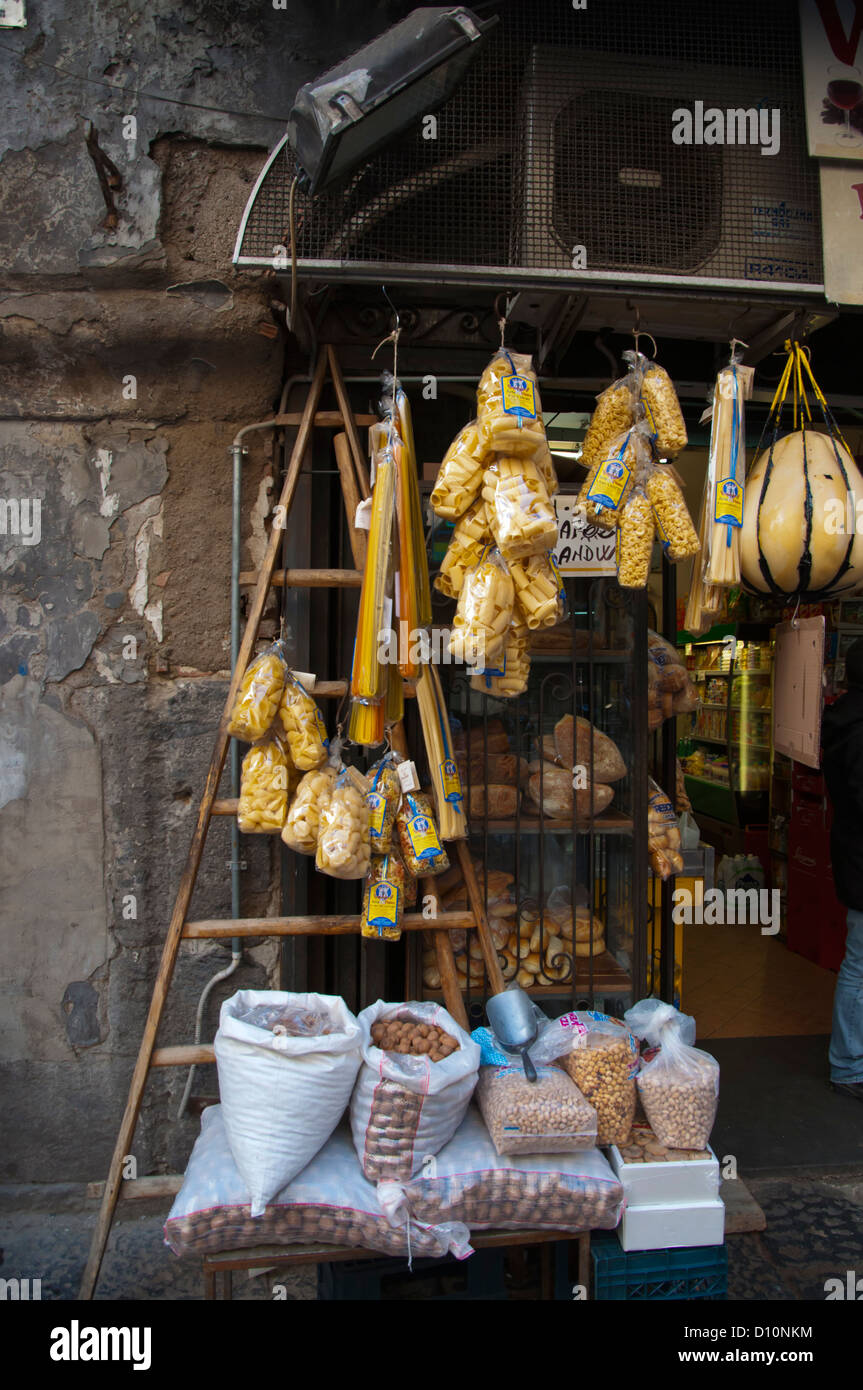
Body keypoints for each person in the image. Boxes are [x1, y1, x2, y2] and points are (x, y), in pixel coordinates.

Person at [821, 636, 863, 1102]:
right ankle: (850, 1064)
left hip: (851, 851)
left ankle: (851, 1060)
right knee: (860, 964)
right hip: (860, 855)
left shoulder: (841, 719)